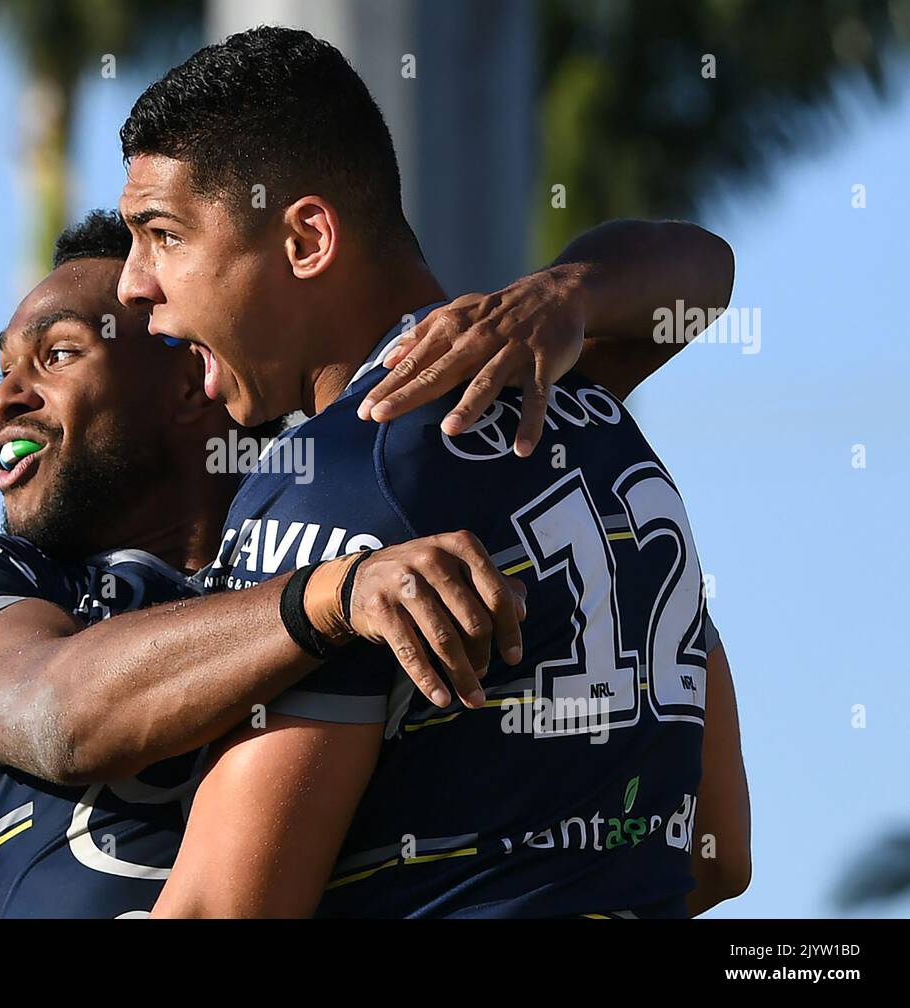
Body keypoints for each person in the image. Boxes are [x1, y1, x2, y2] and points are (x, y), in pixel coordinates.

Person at [0, 202, 718, 916]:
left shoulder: (363, 514)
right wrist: (323, 601)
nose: (2, 397)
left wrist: (562, 292)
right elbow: (57, 711)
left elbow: (702, 269)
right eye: (3, 367)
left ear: (190, 375)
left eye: (56, 355)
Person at [115, 26, 750, 917]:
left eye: (163, 235)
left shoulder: (338, 475)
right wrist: (568, 289)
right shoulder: (593, 419)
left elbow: (222, 908)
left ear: (306, 238)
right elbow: (720, 856)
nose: (133, 284)